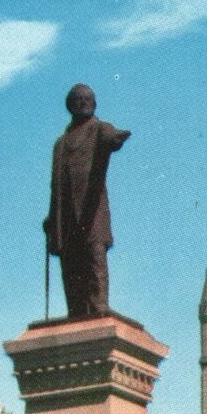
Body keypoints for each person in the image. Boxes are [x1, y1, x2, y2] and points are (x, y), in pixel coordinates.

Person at [44, 84, 130, 319]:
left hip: (91, 207)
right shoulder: (60, 144)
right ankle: (76, 310)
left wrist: (116, 139)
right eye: (78, 99)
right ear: (69, 105)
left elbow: (110, 136)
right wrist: (51, 217)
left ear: (94, 103)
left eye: (87, 98)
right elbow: (55, 185)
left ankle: (99, 303)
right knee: (70, 261)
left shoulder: (98, 129)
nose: (83, 102)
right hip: (65, 213)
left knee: (95, 255)